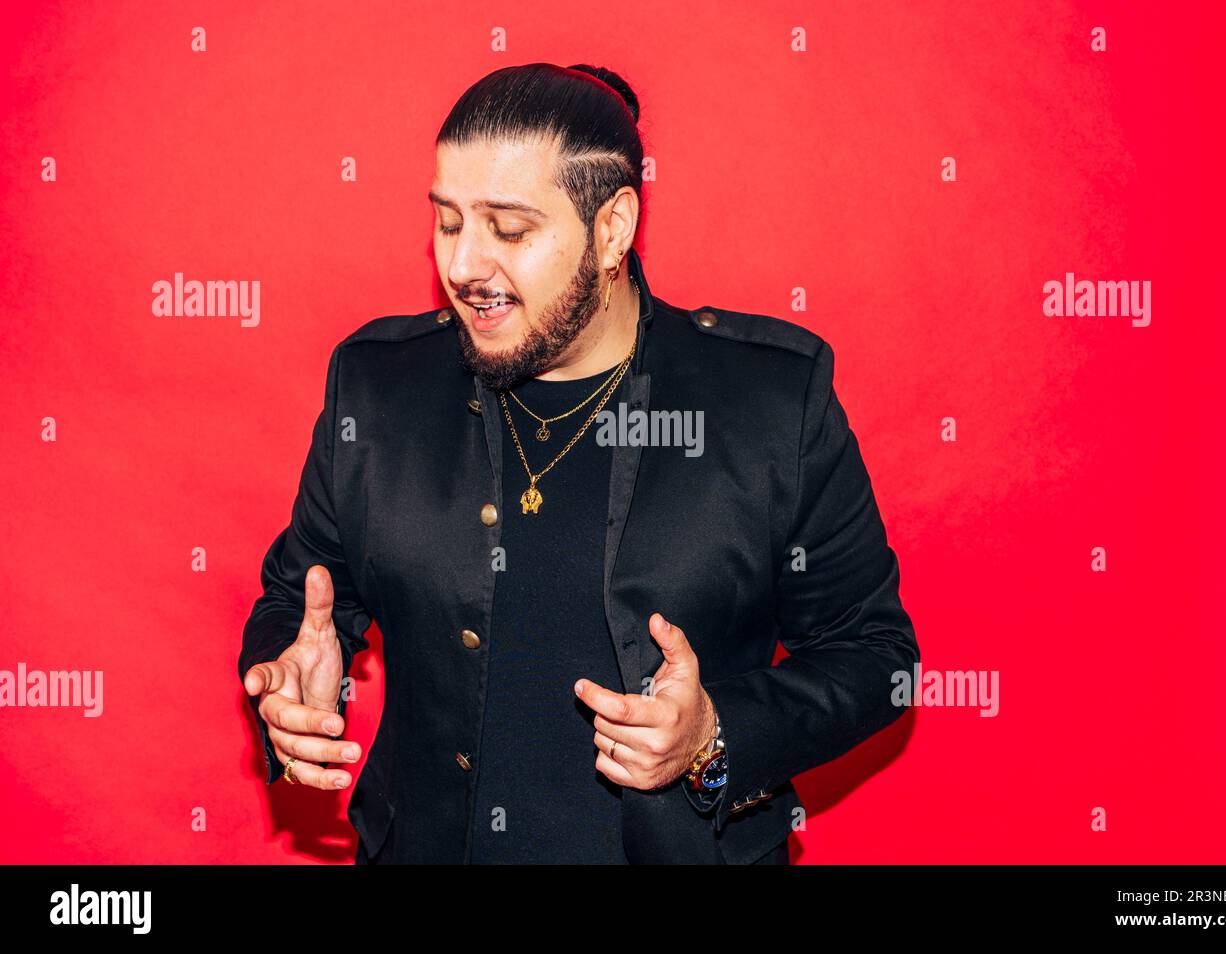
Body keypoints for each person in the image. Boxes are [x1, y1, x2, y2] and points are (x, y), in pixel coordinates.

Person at [238, 62, 919, 864]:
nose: (463, 266)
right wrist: (286, 680)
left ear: (611, 228)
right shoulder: (379, 385)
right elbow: (301, 598)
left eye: (510, 229)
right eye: (449, 221)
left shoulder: (768, 401)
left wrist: (712, 735)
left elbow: (874, 657)